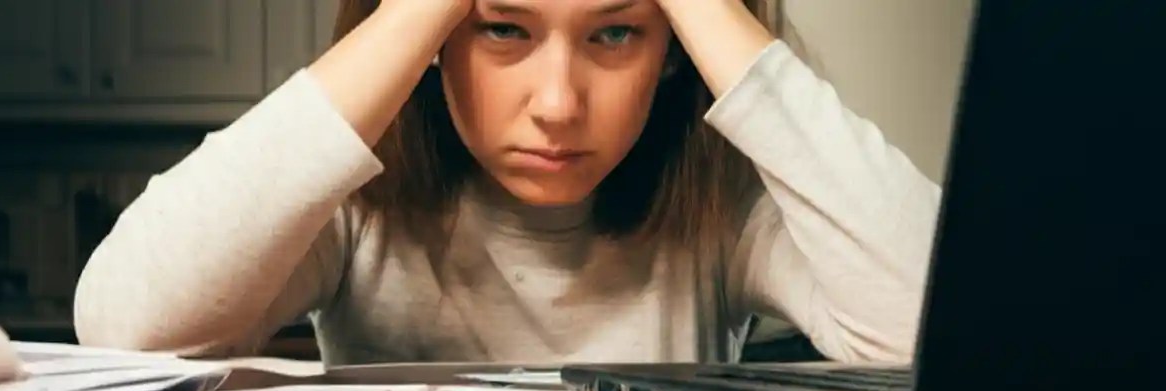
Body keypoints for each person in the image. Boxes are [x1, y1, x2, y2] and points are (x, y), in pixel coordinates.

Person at [73, 0, 939, 366]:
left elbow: (937, 331)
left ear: (671, 51)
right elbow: (126, 327)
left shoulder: (718, 203)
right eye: (501, 28)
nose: (558, 106)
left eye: (614, 35)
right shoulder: (354, 208)